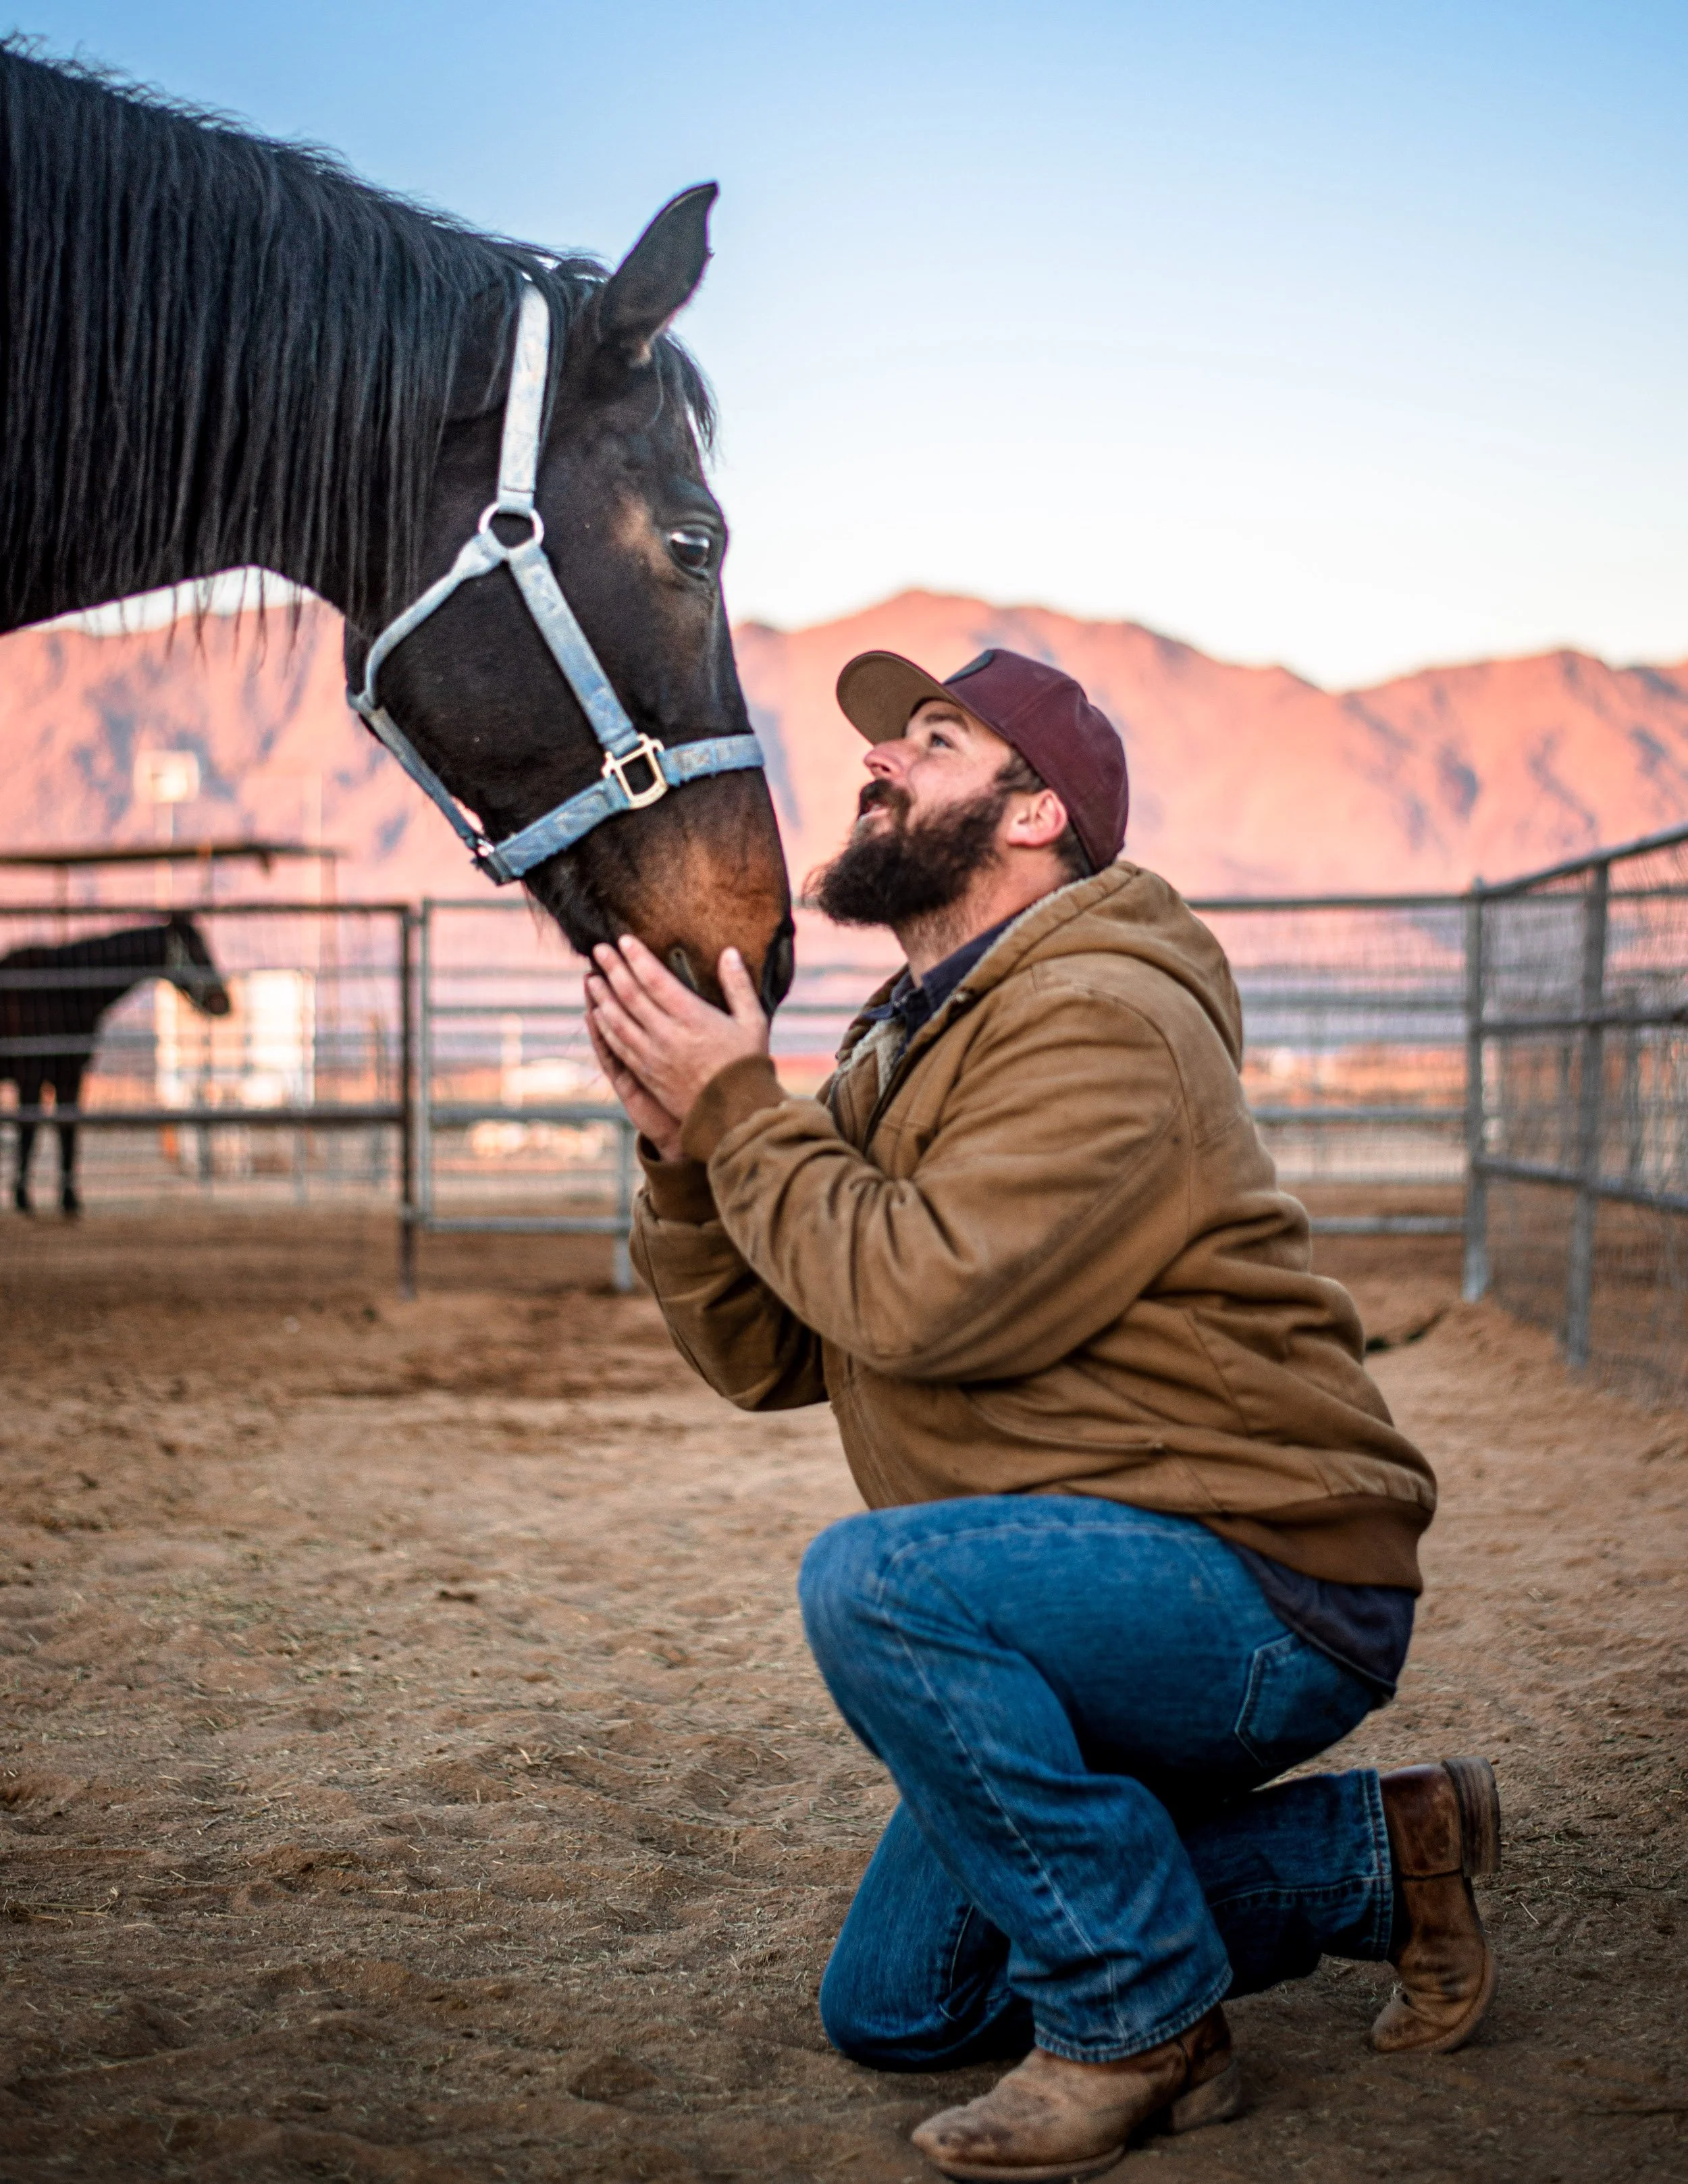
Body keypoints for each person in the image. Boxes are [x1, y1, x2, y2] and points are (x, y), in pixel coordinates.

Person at [583, 646, 1501, 2183]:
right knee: (901, 2006)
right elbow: (773, 1354)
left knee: (876, 1585)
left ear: (1034, 814)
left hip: (1261, 1577)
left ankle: (1137, 2027)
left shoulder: (1102, 1018)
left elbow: (917, 1297)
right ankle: (1372, 1861)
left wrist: (744, 1110)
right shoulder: (913, 1040)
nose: (880, 763)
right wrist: (687, 1156)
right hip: (1091, 1579)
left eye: (933, 741)